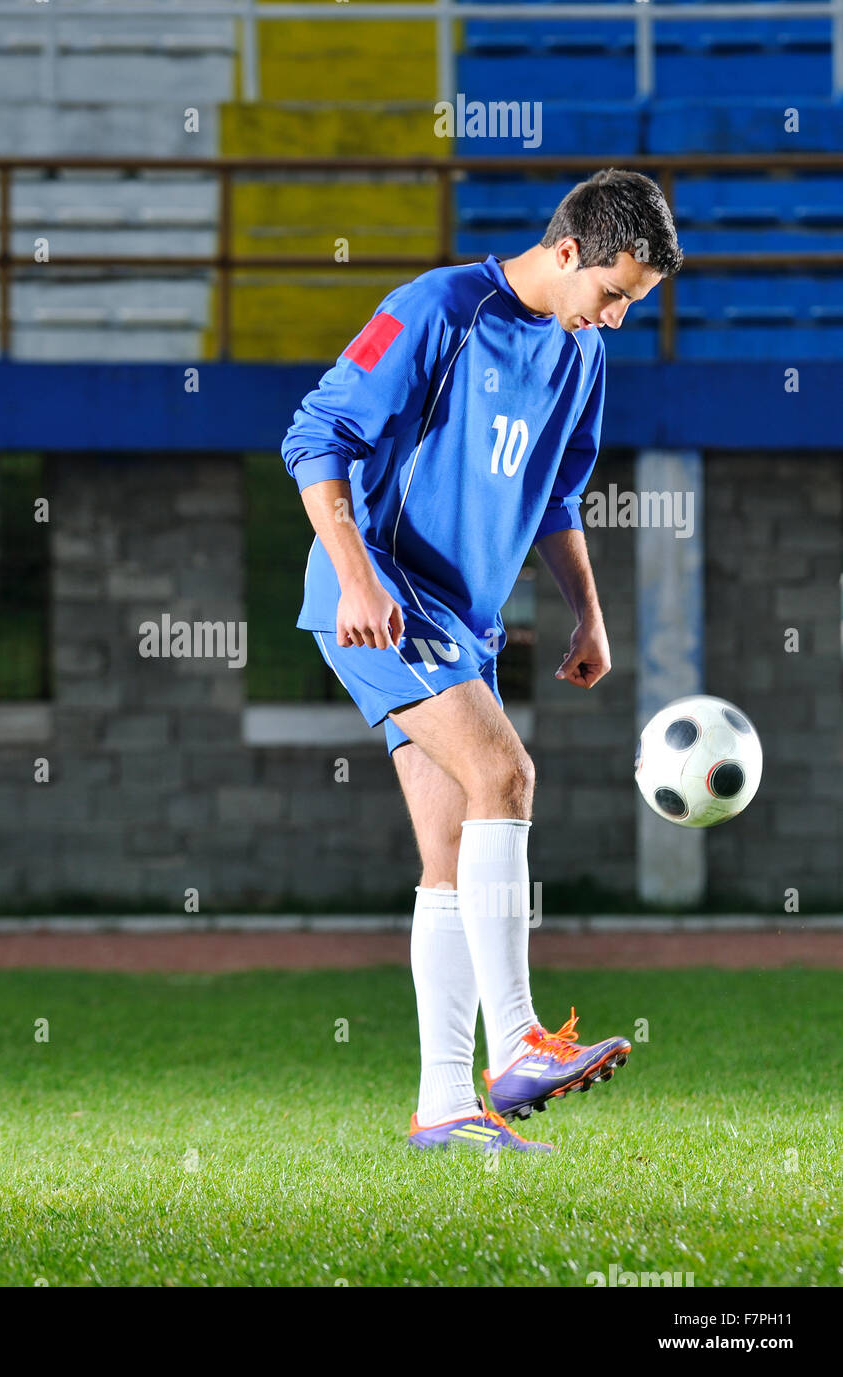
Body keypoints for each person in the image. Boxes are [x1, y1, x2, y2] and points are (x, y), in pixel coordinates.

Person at [280, 169, 683, 1151]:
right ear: (563, 254)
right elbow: (312, 437)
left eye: (634, 302)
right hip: (378, 598)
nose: (617, 318)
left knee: (451, 854)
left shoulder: (579, 352)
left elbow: (552, 497)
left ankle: (444, 1108)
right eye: (614, 294)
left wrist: (586, 613)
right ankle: (516, 1044)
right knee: (506, 773)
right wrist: (358, 579)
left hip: (460, 622)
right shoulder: (437, 308)